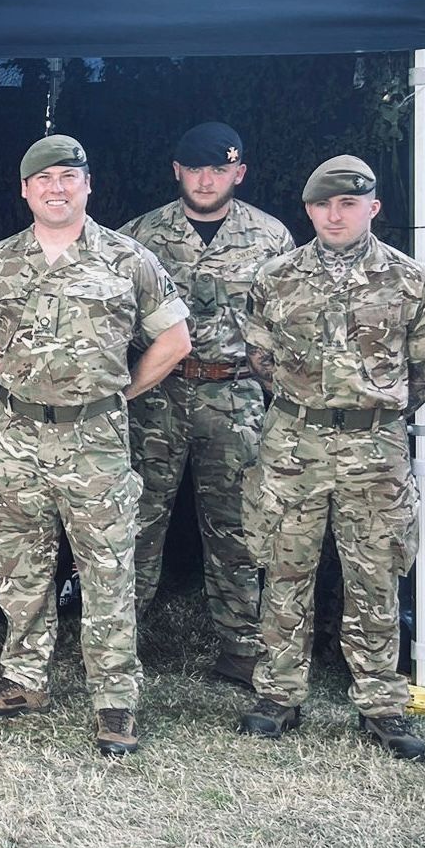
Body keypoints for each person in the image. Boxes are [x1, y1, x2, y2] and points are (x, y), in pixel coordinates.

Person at [0, 134, 190, 756]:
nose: (56, 188)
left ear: (88, 185)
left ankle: (115, 701)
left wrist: (120, 394)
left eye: (68, 177)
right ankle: (23, 679)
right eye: (44, 179)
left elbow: (174, 342)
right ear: (25, 190)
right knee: (18, 564)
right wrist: (4, 368)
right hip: (17, 434)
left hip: (95, 442)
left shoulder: (128, 259)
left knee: (108, 570)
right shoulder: (1, 260)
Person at [238, 155, 425, 760]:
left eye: (348, 204)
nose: (335, 215)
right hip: (292, 445)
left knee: (375, 576)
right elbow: (261, 358)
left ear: (372, 208)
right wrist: (309, 405)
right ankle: (278, 694)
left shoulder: (412, 280)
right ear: (307, 211)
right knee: (283, 571)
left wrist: (370, 410)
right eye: (324, 205)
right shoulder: (275, 276)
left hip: (375, 448)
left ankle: (381, 704)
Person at [120, 121, 292, 686]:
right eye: (195, 168)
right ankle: (121, 645)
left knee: (238, 524)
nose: (206, 179)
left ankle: (242, 646)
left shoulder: (271, 238)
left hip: (236, 396)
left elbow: (287, 326)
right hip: (157, 395)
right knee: (137, 519)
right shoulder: (139, 236)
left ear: (238, 173)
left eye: (219, 169)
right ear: (177, 171)